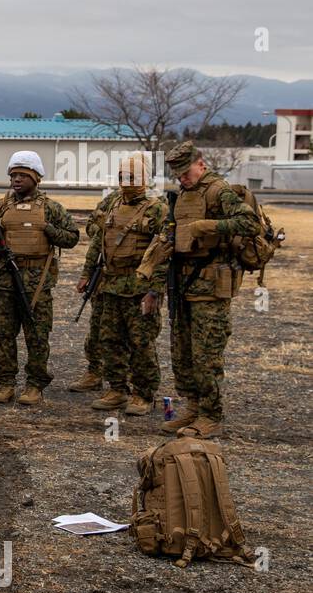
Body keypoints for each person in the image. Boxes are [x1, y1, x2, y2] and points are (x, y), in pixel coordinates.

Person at [139, 141, 260, 439]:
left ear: (201, 164)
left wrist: (208, 226)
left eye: (185, 171)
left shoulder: (219, 190)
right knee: (183, 355)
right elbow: (169, 233)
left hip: (210, 289)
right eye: (177, 173)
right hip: (183, 285)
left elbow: (249, 223)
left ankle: (210, 415)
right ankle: (192, 407)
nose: (182, 177)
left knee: (207, 357)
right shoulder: (181, 196)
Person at [0, 150, 78, 406]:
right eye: (14, 175)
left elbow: (72, 237)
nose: (17, 180)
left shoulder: (51, 208)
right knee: (3, 334)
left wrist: (48, 230)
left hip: (37, 284)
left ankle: (34, 386)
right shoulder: (0, 206)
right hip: (6, 282)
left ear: (36, 178)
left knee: (37, 336)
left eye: (23, 175)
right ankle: (6, 382)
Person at [79, 153, 166, 417]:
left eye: (130, 176)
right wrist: (86, 273)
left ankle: (143, 393)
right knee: (110, 339)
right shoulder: (113, 204)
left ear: (143, 179)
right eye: (120, 176)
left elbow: (164, 252)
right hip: (110, 285)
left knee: (140, 342)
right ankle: (116, 389)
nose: (124, 181)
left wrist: (155, 291)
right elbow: (98, 242)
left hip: (138, 286)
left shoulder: (156, 209)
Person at [69, 188, 119, 394]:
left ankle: (132, 382)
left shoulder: (154, 203)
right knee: (97, 326)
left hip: (133, 278)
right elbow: (92, 229)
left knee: (131, 332)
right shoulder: (113, 199)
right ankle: (94, 372)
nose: (128, 181)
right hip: (104, 274)